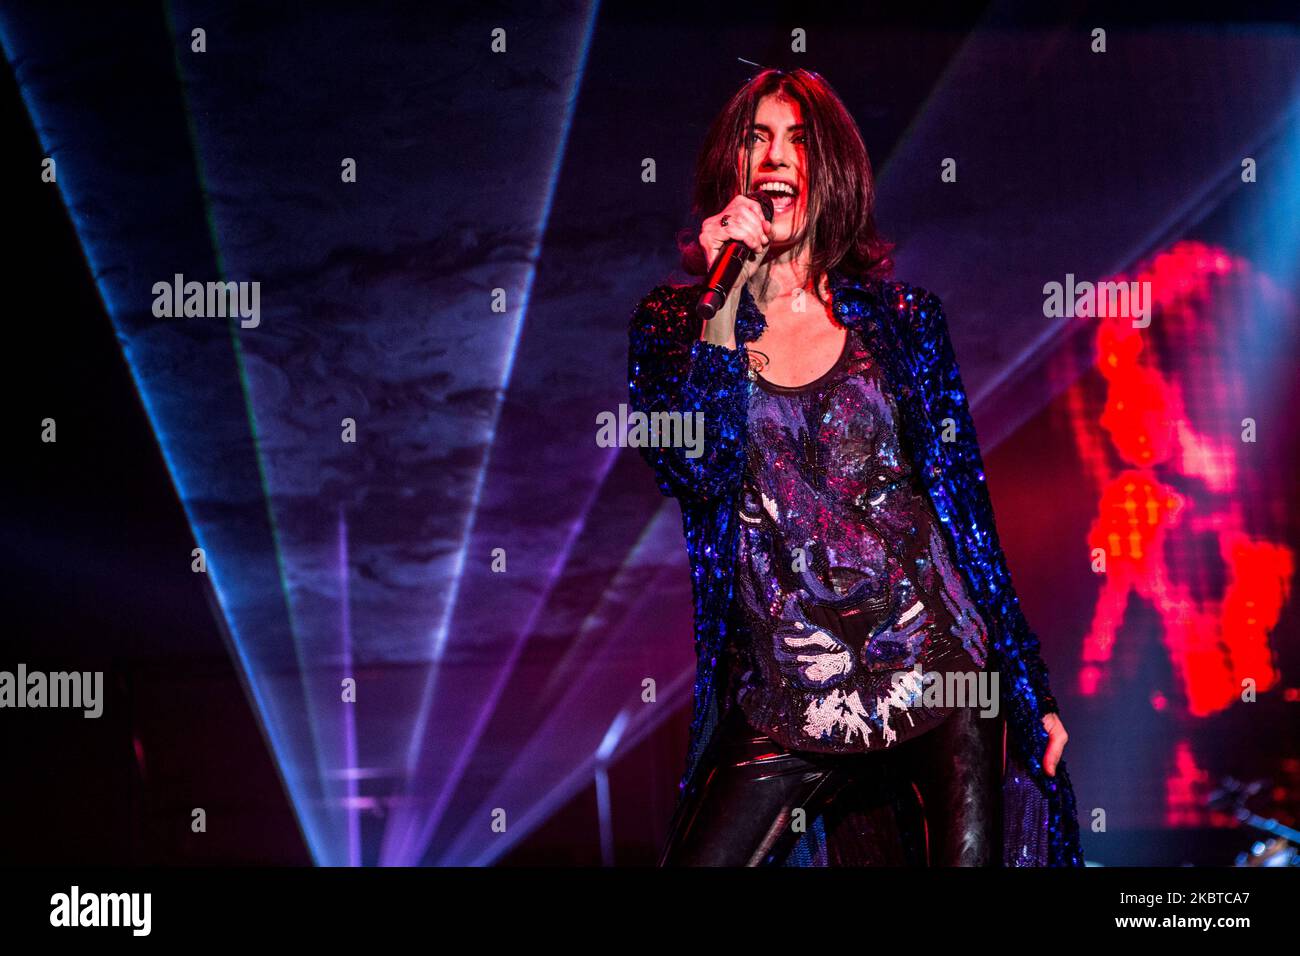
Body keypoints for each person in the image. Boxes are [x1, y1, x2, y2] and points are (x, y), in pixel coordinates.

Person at [627, 67, 1084, 867]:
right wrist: (722, 300)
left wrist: (1029, 685)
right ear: (729, 169)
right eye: (757, 138)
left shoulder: (903, 322)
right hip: (787, 685)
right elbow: (691, 469)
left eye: (798, 141)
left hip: (941, 668)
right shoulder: (679, 322)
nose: (776, 157)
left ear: (829, 167)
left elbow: (967, 517)